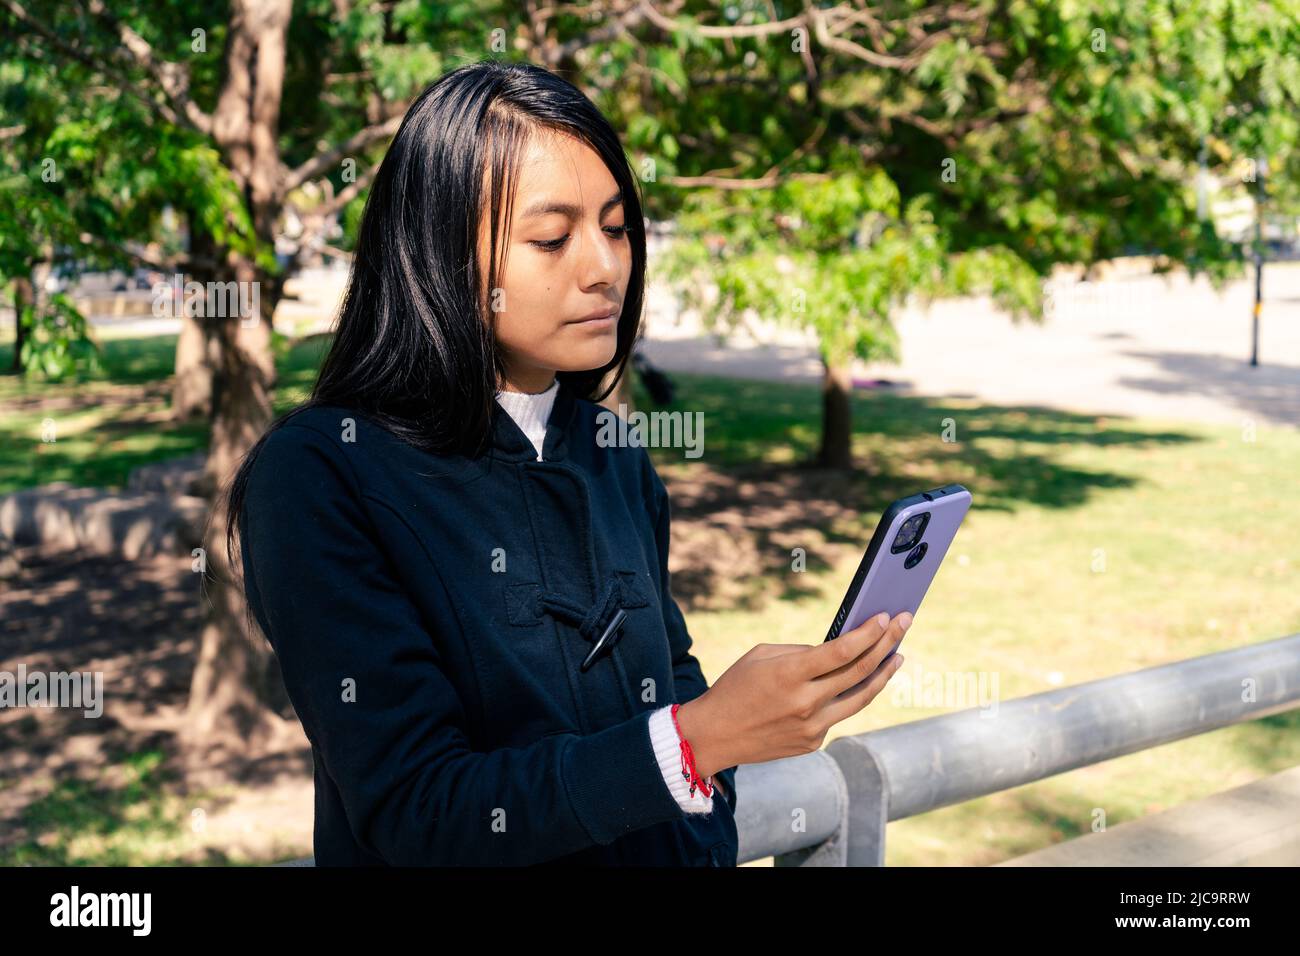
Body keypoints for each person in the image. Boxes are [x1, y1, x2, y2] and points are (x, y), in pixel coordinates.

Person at [221, 59, 910, 866]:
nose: (604, 267)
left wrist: (721, 739)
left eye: (616, 228)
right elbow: (417, 808)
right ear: (440, 255)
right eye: (552, 238)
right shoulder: (321, 477)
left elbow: (672, 679)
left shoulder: (612, 453)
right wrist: (691, 742)